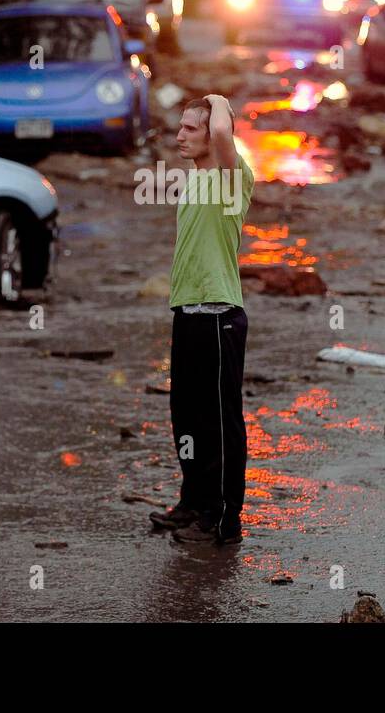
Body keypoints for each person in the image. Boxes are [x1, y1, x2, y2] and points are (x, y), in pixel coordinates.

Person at [149, 95, 254, 546]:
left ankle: (225, 517)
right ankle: (194, 502)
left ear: (213, 133)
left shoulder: (233, 178)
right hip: (187, 310)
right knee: (187, 418)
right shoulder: (193, 182)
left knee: (221, 423)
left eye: (191, 128)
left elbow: (226, 133)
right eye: (180, 127)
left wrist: (216, 101)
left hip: (219, 314)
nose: (180, 136)